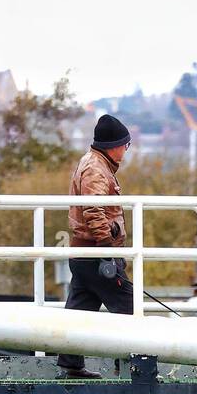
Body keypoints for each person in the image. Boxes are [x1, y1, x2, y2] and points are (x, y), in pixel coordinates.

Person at [57, 114, 133, 378]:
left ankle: (70, 363)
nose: (126, 150)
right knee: (128, 306)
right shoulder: (96, 168)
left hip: (84, 253)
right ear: (114, 145)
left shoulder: (93, 163)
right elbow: (93, 210)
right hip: (95, 253)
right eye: (126, 144)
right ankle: (130, 364)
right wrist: (107, 247)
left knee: (80, 309)